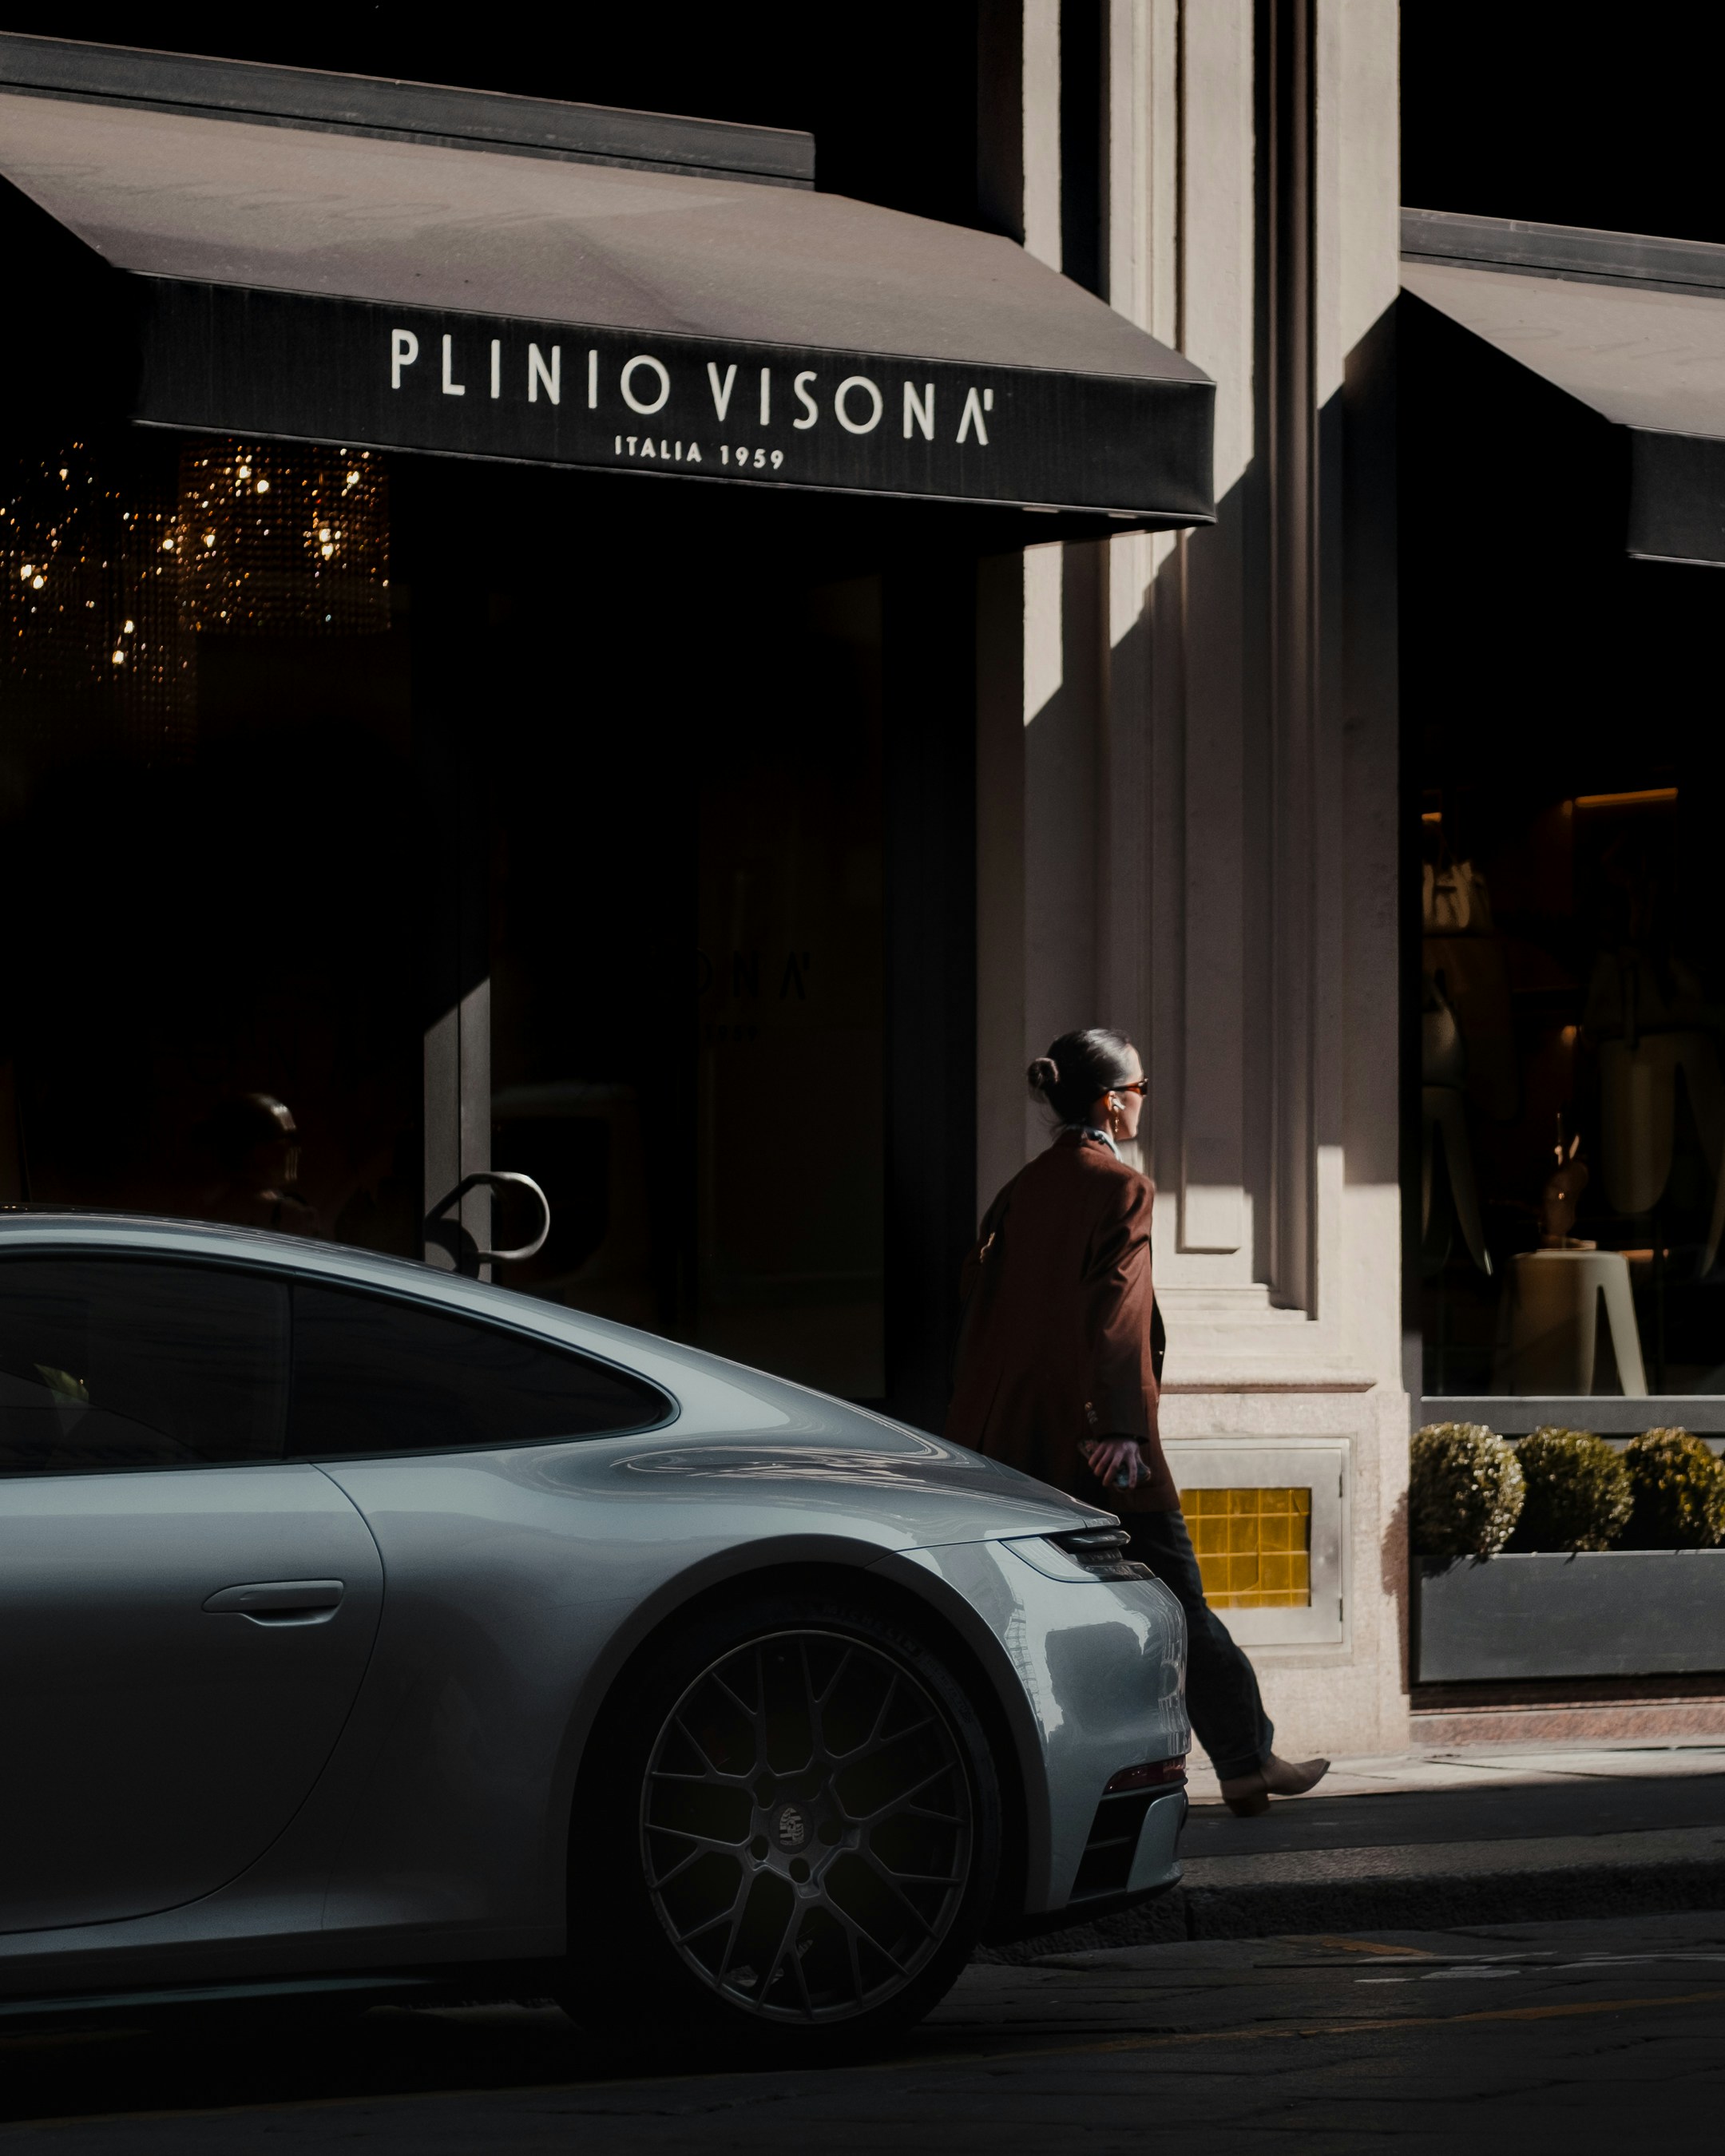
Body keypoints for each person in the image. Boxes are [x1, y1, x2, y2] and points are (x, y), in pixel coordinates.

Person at [947, 1028, 1328, 1819]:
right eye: (1141, 1090)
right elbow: (1118, 1317)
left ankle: (1227, 1757)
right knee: (1177, 1596)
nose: (1142, 1104)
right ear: (1112, 1099)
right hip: (1103, 1446)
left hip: (1015, 1441)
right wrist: (1118, 1434)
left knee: (1035, 1608)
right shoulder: (1122, 1188)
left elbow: (978, 1307)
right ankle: (1247, 1759)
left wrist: (975, 1429)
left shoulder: (1023, 1188)